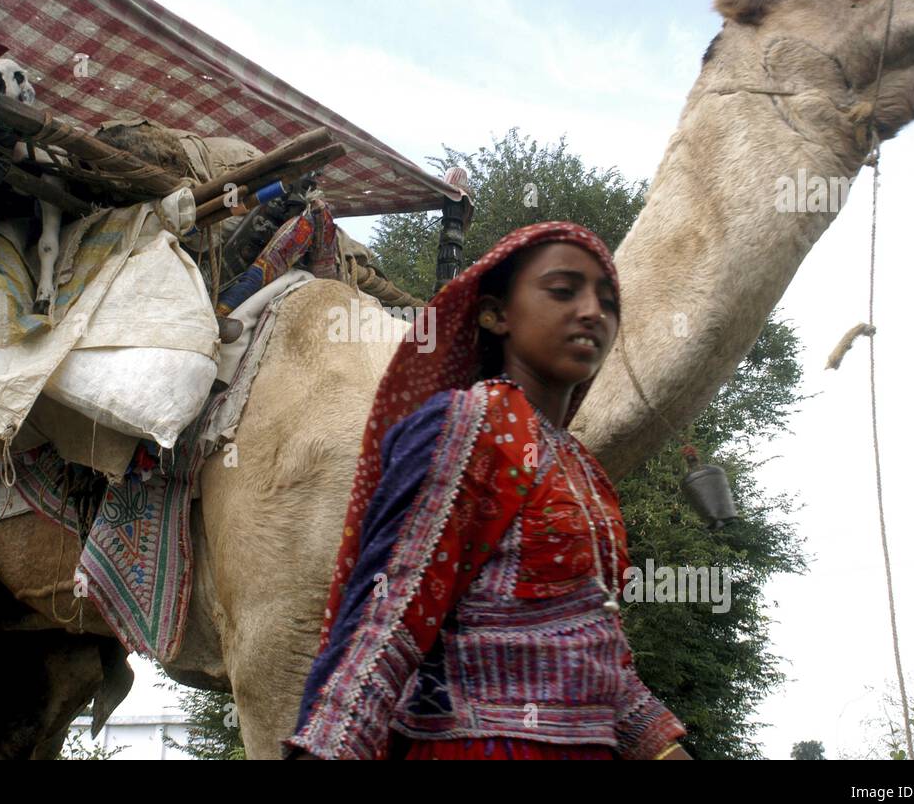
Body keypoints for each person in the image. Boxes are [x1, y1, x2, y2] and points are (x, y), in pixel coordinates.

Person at [284, 220, 691, 760]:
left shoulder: (581, 469)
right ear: (496, 313)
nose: (593, 311)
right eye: (563, 291)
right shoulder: (473, 422)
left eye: (609, 301)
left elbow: (600, 655)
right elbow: (390, 616)